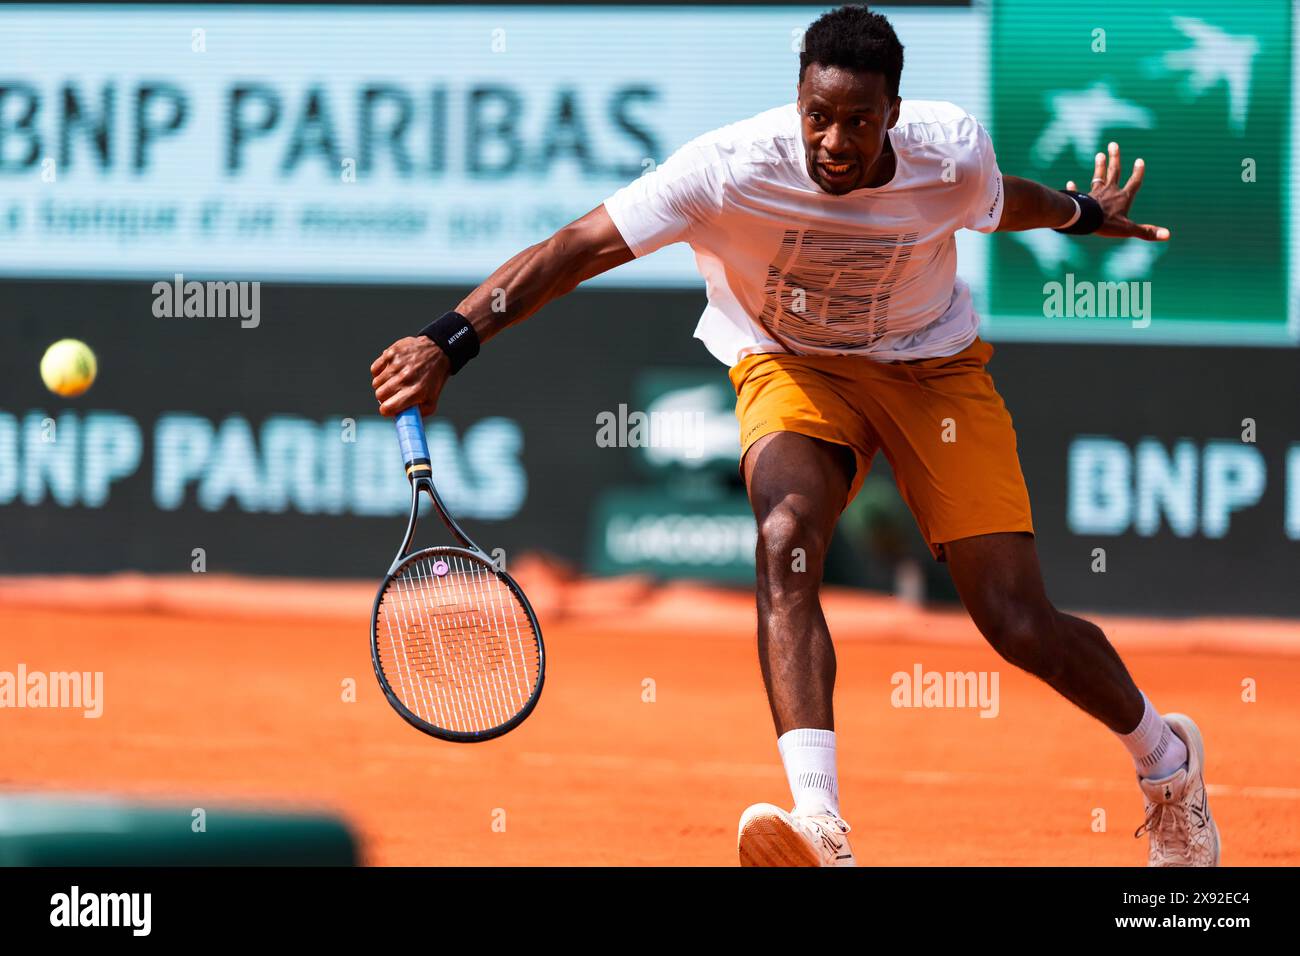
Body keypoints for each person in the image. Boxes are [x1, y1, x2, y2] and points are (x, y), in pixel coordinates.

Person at [370, 4, 1218, 867]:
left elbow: (1002, 206)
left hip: (933, 374)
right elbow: (573, 249)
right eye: (819, 117)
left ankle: (1168, 764)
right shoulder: (728, 168)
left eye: (857, 121)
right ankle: (820, 823)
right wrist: (449, 340)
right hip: (792, 364)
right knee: (786, 542)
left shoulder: (950, 151)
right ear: (798, 100)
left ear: (894, 110)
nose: (835, 142)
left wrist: (1080, 212)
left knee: (1014, 620)